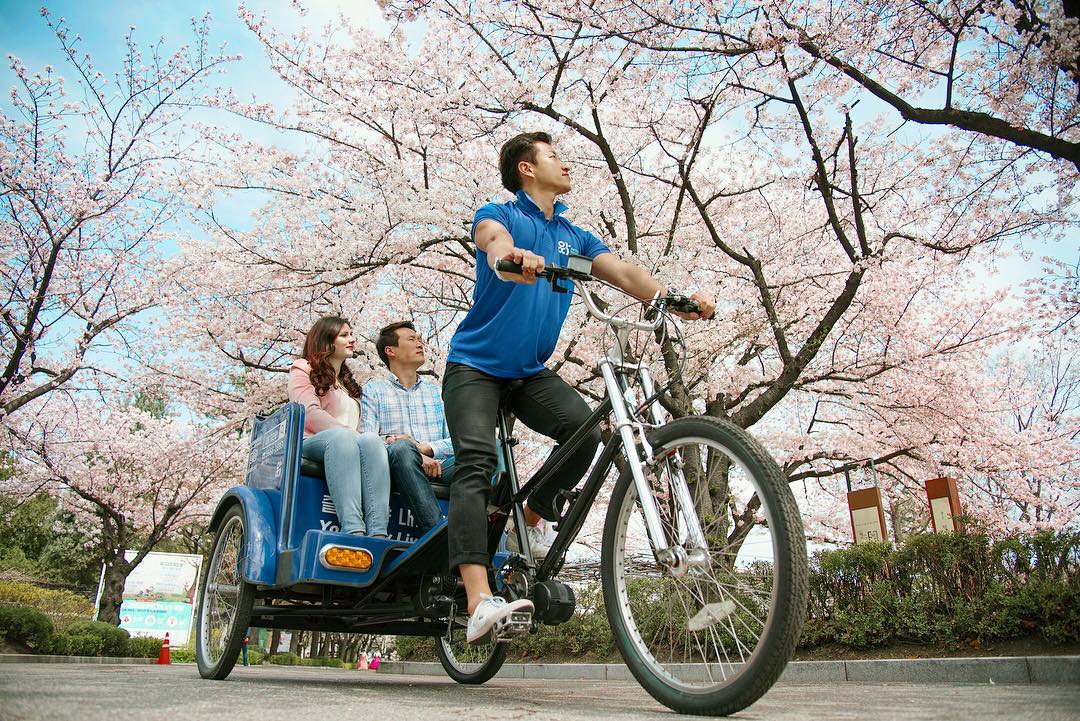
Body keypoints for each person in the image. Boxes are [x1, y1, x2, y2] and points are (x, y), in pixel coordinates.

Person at [444, 131, 715, 644]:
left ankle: (530, 518)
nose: (564, 163)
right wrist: (511, 259)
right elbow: (492, 240)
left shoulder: (575, 236)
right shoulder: (502, 214)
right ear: (526, 169)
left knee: (584, 432)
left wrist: (672, 297)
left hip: (527, 371)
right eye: (552, 156)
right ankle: (478, 598)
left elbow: (624, 273)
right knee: (476, 461)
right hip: (474, 368)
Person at [288, 316, 391, 537]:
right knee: (342, 438)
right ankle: (353, 528)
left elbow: (360, 430)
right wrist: (349, 434)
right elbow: (309, 413)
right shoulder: (303, 368)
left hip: (348, 444)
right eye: (344, 335)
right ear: (326, 341)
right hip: (314, 441)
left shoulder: (347, 383)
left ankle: (378, 532)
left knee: (372, 440)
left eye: (351, 334)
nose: (352, 339)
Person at [361, 322, 449, 534]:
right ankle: (437, 535)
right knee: (401, 449)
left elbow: (457, 440)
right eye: (411, 339)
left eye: (419, 339)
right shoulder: (373, 390)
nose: (420, 343)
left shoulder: (437, 393)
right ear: (390, 351)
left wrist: (425, 449)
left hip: (440, 466)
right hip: (399, 465)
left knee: (484, 451)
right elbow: (367, 439)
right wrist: (406, 447)